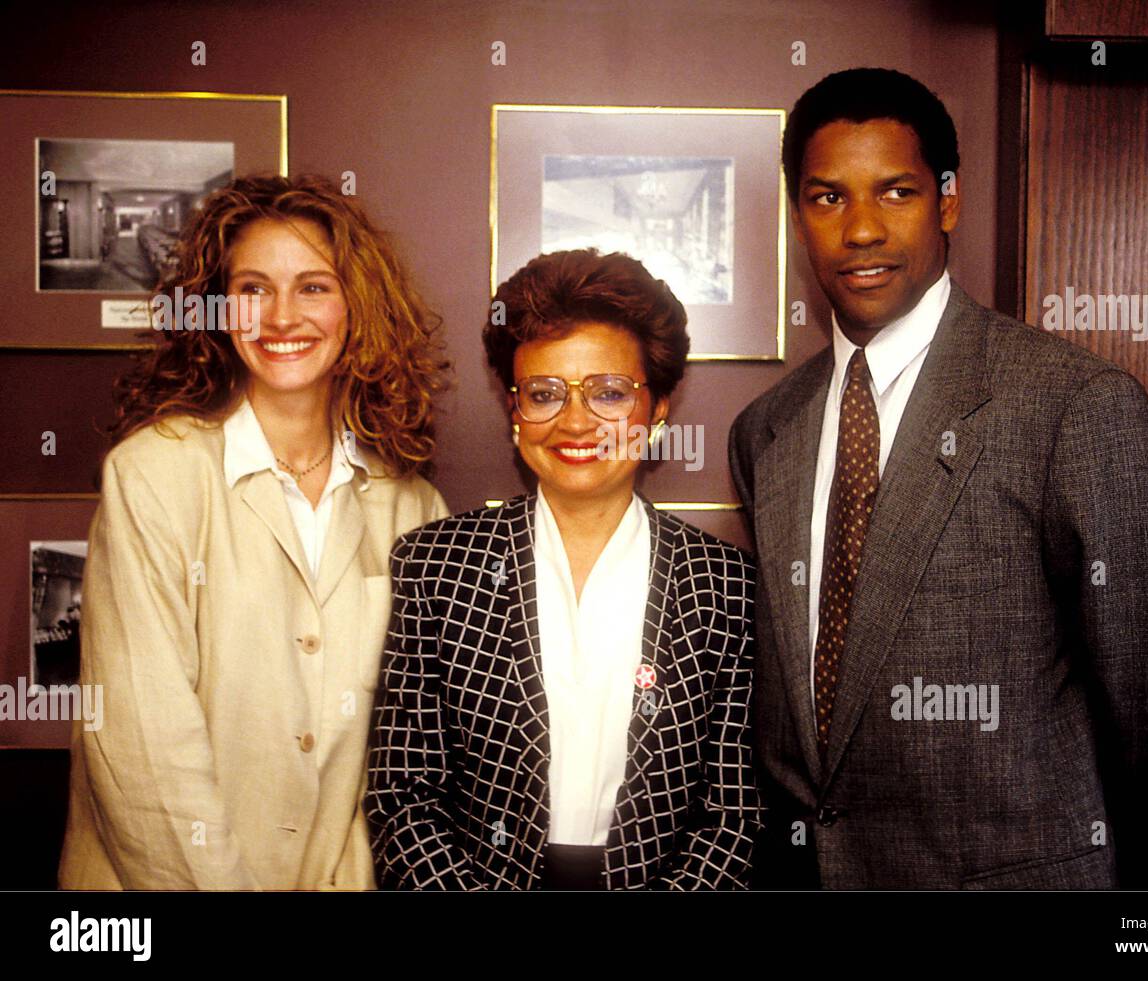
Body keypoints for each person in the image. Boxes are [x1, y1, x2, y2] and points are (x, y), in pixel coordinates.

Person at [728, 68, 1148, 889]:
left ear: (948, 201)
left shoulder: (1073, 406)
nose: (859, 230)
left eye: (895, 193)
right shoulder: (765, 431)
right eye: (827, 198)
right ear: (798, 215)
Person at [58, 174, 451, 890]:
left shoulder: (412, 507)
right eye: (252, 288)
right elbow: (146, 752)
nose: (280, 316)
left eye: (313, 287)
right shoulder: (152, 476)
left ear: (356, 305)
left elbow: (399, 763)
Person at [366, 248, 759, 889]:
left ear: (657, 407)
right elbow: (404, 799)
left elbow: (733, 814)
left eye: (609, 393)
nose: (576, 422)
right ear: (515, 410)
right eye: (544, 394)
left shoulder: (725, 585)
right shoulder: (434, 566)